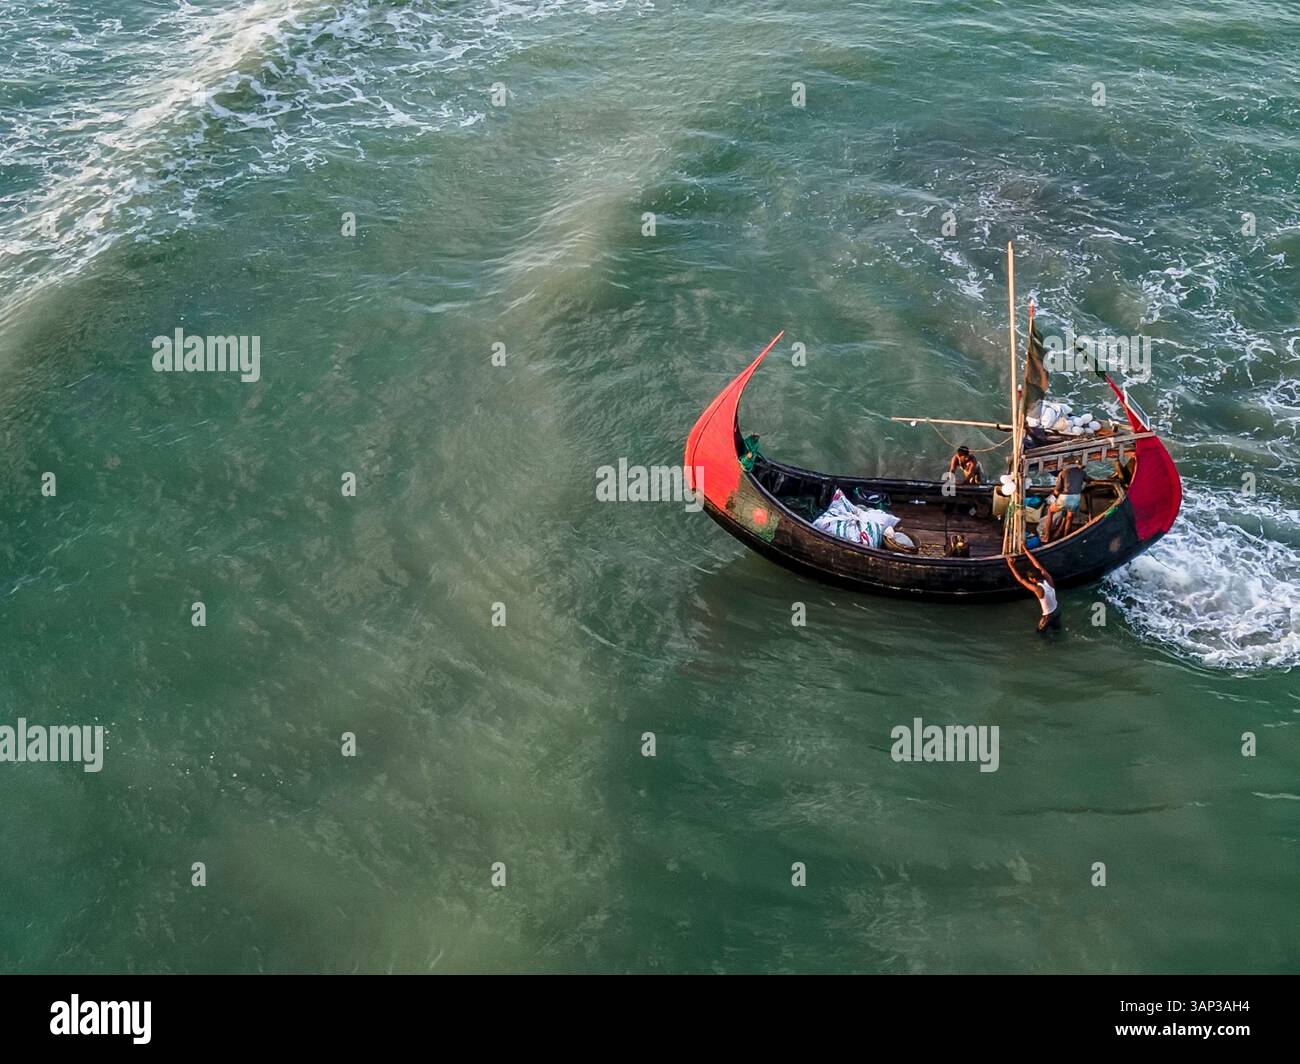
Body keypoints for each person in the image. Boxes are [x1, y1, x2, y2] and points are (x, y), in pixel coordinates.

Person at [1005, 547, 1060, 632]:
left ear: (1033, 579)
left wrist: (1011, 566)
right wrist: (1026, 550)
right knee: (1057, 630)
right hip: (1057, 611)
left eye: (1029, 578)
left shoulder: (1038, 589)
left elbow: (1021, 580)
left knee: (1040, 633)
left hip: (1048, 617)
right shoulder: (1049, 579)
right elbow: (1038, 565)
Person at [1043, 458, 1087, 542]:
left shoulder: (1063, 473)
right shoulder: (1082, 473)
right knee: (1069, 517)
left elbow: (1057, 490)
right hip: (1076, 498)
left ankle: (1046, 536)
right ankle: (1065, 538)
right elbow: (1088, 479)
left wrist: (1052, 498)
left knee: (1050, 511)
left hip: (1065, 497)